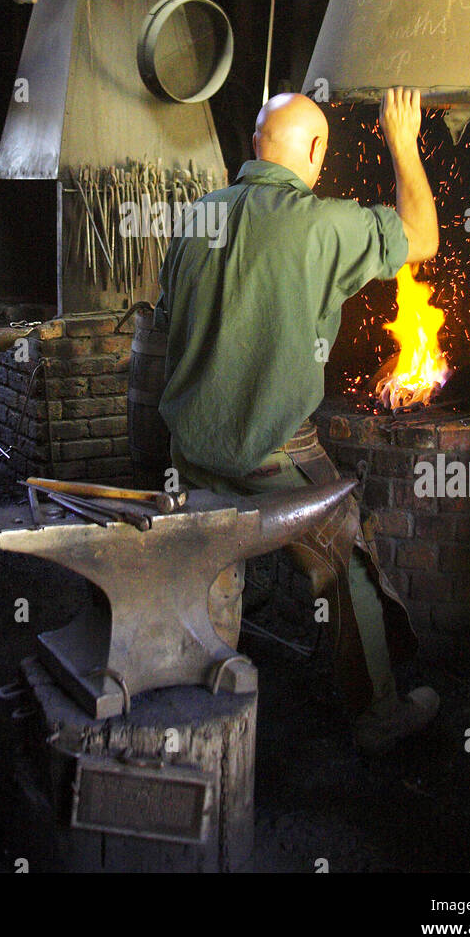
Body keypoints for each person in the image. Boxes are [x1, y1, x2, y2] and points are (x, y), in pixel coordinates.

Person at [154, 87, 441, 755]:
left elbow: (175, 319)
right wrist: (401, 139)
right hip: (269, 459)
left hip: (189, 454)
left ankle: (203, 702)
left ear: (257, 146)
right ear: (313, 152)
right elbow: (422, 238)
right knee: (345, 566)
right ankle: (377, 715)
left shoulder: (197, 216)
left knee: (210, 568)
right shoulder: (322, 224)